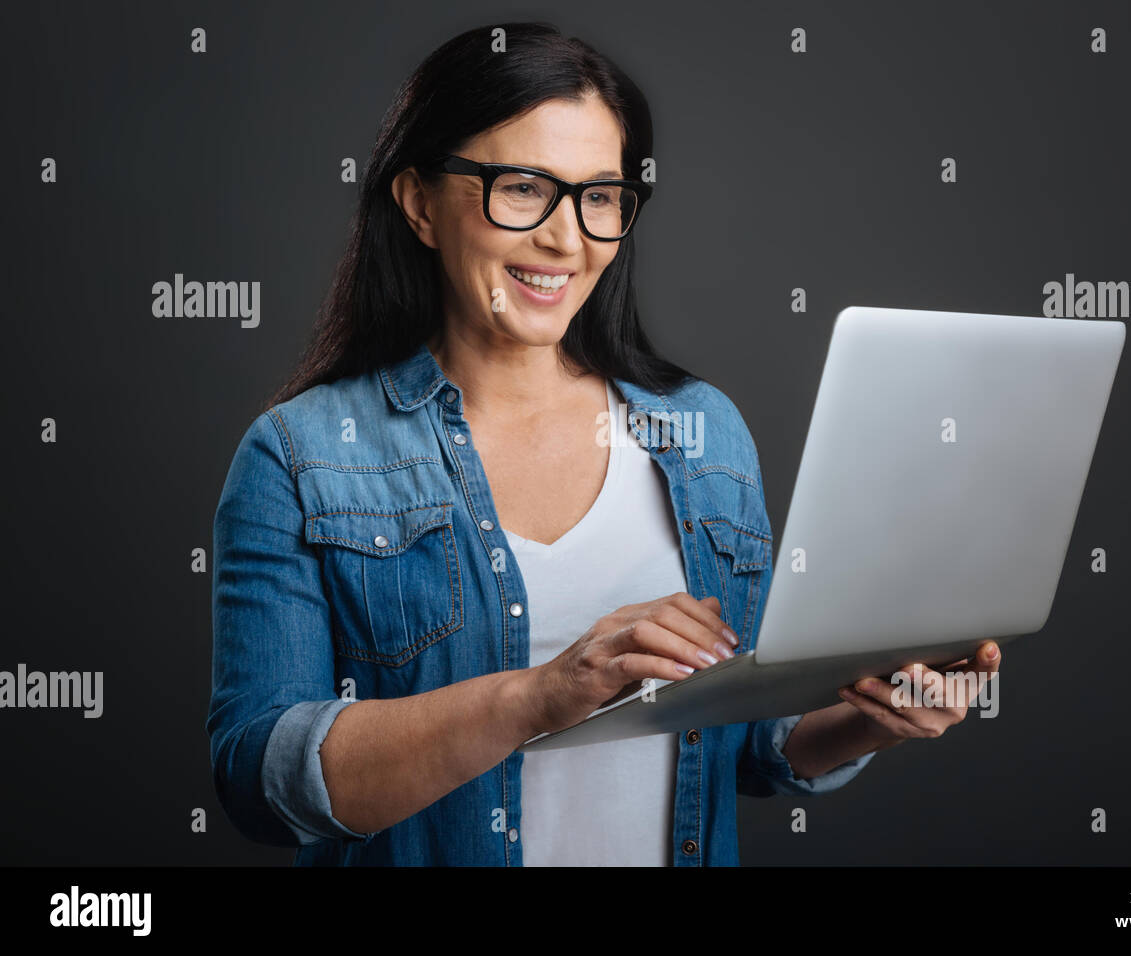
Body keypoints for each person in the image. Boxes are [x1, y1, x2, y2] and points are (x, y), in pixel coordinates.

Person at [206, 21, 1002, 866]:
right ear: (418, 203)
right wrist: (542, 695)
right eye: (522, 187)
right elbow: (259, 780)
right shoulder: (300, 456)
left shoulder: (703, 436)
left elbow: (756, 743)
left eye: (599, 197)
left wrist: (874, 714)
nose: (566, 238)